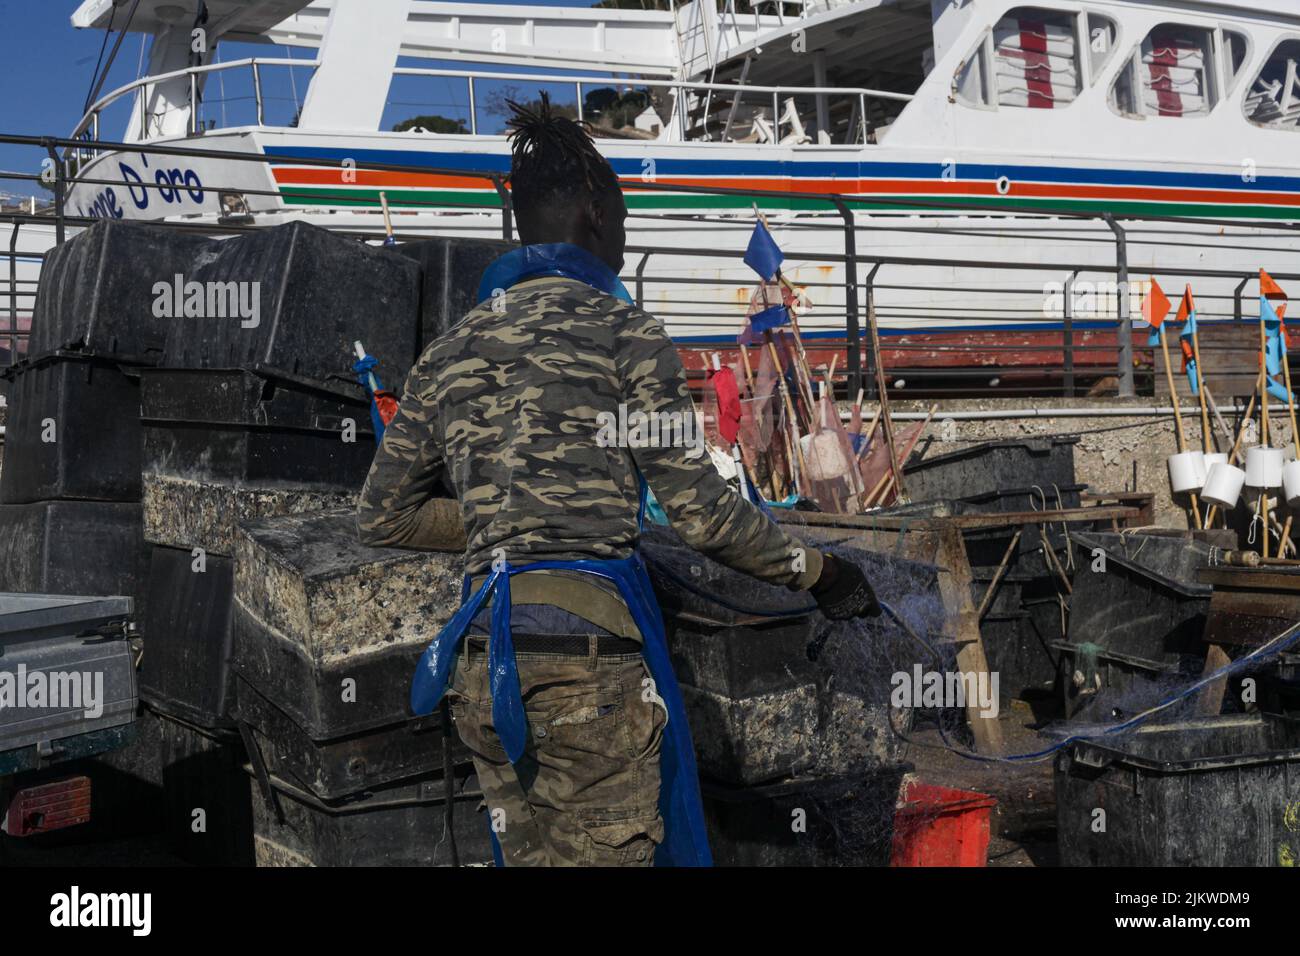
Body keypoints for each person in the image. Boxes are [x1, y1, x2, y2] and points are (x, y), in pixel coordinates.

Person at [356, 93, 879, 867]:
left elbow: (381, 517)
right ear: (596, 218)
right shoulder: (625, 334)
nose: (627, 244)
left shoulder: (449, 351)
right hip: (585, 672)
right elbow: (699, 512)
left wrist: (514, 525)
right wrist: (821, 573)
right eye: (626, 224)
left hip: (478, 666)